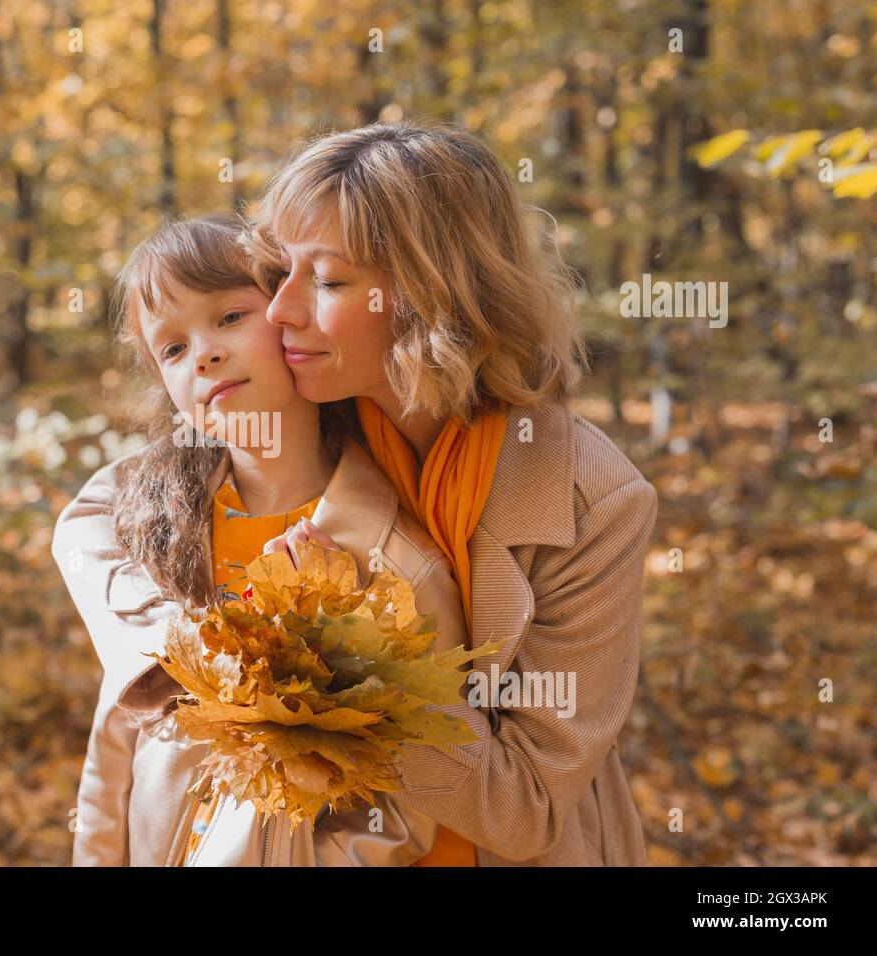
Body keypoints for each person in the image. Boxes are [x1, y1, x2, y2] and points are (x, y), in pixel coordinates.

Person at [242, 118, 658, 865]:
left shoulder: (594, 501)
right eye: (281, 273)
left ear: (433, 296)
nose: (281, 310)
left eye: (329, 280)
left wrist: (354, 651)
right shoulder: (296, 421)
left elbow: (526, 806)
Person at [52, 213, 475, 866]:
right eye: (172, 348)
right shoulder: (150, 523)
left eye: (228, 317)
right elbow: (116, 756)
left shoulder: (395, 563)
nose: (205, 354)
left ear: (292, 317)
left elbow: (405, 807)